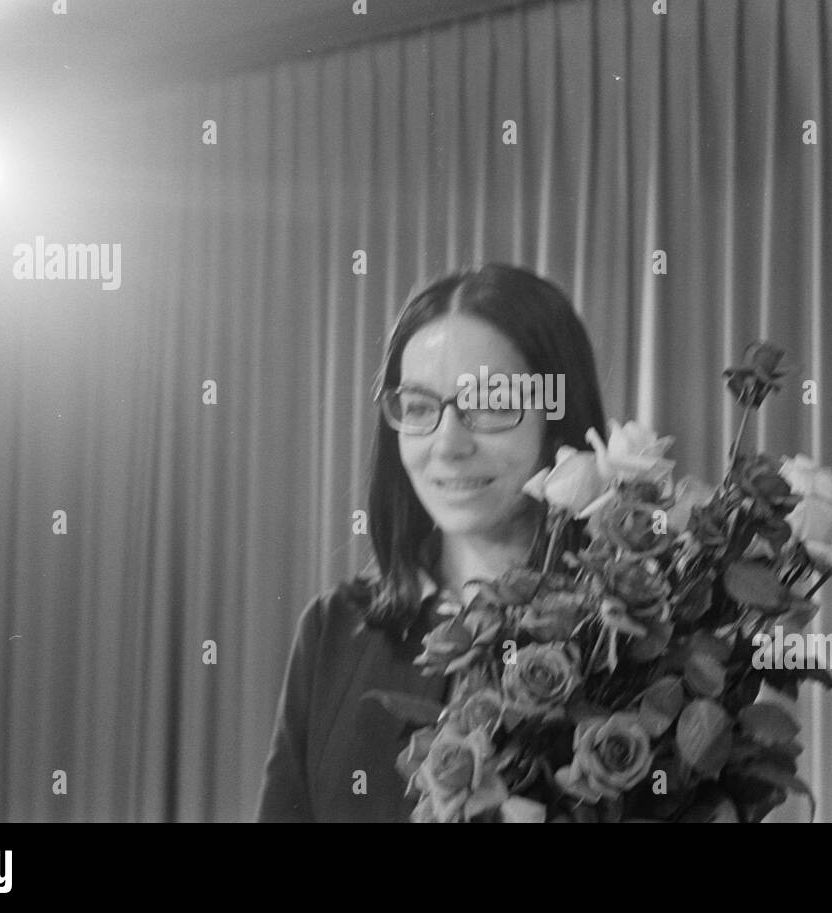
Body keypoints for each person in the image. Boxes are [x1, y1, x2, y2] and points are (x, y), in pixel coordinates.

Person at [256, 263, 606, 822]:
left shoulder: (622, 640)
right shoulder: (334, 631)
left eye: (490, 401)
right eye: (419, 407)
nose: (448, 443)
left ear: (558, 416)